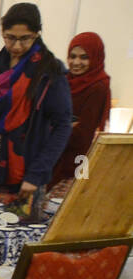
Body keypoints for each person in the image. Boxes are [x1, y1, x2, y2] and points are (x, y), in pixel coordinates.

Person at [0, 3, 71, 207]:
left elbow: (63, 126)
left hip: (24, 175)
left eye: (25, 38)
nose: (17, 46)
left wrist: (37, 174)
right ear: (2, 32)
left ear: (36, 34)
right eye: (10, 37)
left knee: (14, 234)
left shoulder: (49, 71)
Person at [51, 32, 111, 189]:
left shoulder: (98, 87)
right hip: (55, 154)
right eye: (72, 56)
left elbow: (83, 133)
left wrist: (56, 127)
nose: (76, 62)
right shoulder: (65, 80)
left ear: (96, 58)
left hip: (74, 161)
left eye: (84, 57)